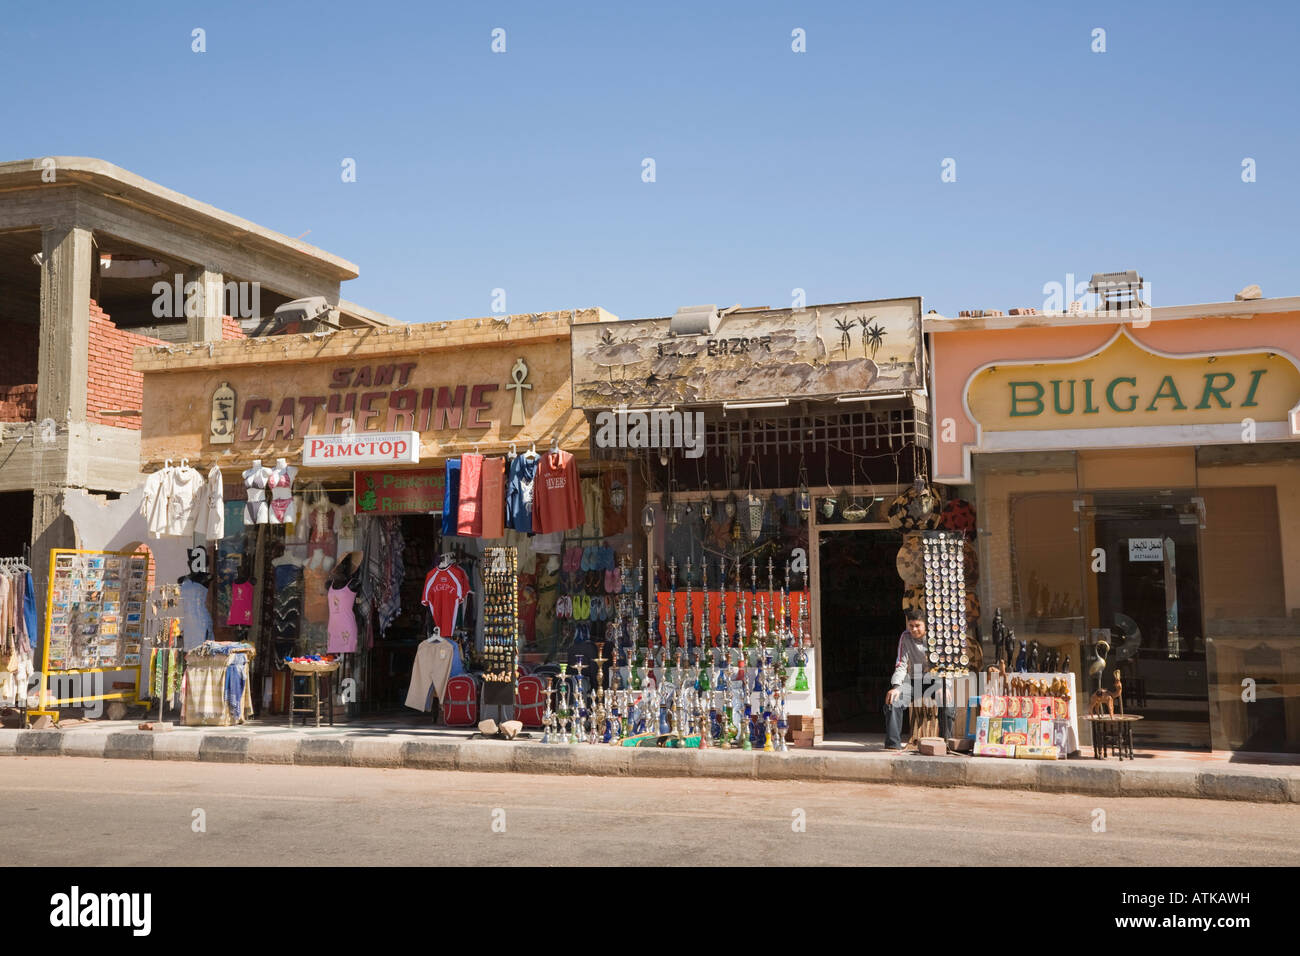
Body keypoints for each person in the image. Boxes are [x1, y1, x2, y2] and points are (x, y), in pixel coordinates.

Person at [883, 610, 954, 750]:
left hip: (936, 680)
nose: (914, 629)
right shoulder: (905, 637)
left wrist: (943, 686)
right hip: (914, 680)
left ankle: (947, 744)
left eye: (917, 625)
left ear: (926, 625)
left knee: (947, 702)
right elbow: (901, 664)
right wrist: (896, 686)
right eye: (911, 626)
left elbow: (947, 665)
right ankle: (892, 745)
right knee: (893, 700)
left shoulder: (938, 636)